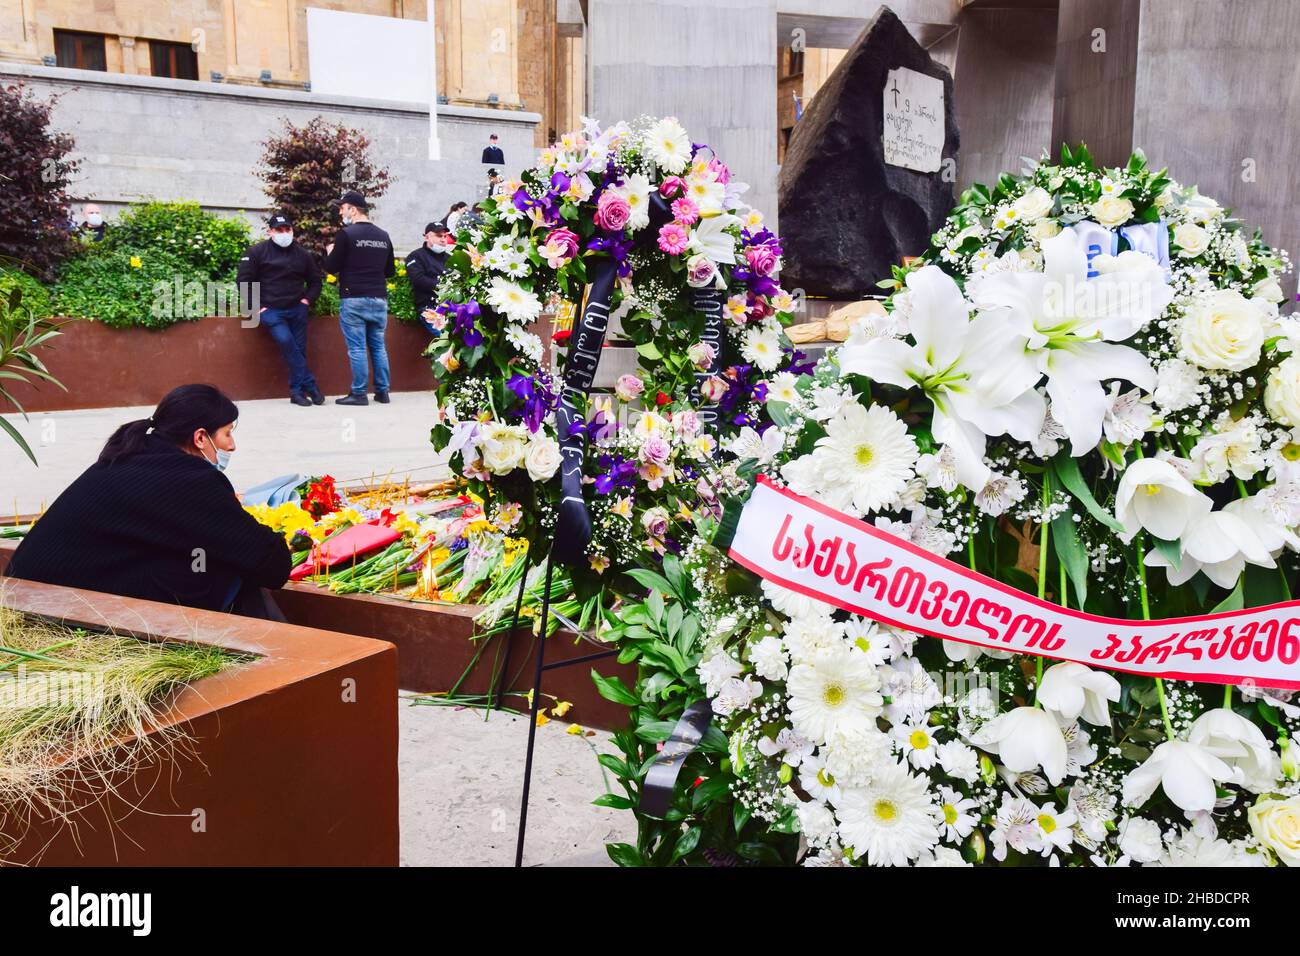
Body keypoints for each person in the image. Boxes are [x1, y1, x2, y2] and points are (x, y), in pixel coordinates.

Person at [5, 385, 292, 618]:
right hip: (47, 610)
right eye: (228, 433)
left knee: (202, 560)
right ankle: (283, 662)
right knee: (227, 571)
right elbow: (271, 564)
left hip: (29, 593)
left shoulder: (135, 453)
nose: (232, 445)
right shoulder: (188, 479)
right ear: (201, 437)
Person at [236, 212, 324, 407]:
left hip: (297, 309)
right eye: (279, 230)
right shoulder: (256, 252)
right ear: (270, 231)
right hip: (271, 311)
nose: (284, 233)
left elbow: (315, 282)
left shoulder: (303, 255)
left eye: (287, 229)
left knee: (298, 350)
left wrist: (306, 301)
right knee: (287, 342)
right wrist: (258, 308)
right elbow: (243, 282)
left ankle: (296, 392)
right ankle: (311, 384)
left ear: (292, 230)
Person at [322, 190, 396, 406]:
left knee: (357, 348)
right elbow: (390, 271)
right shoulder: (384, 236)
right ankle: (383, 392)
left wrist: (330, 251)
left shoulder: (346, 234)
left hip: (353, 297)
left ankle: (359, 393)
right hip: (379, 298)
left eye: (342, 208)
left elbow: (331, 267)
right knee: (378, 346)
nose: (340, 212)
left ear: (352, 210)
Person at [404, 221, 450, 327]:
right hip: (430, 309)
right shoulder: (416, 256)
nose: (443, 239)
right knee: (446, 337)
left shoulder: (449, 258)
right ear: (427, 237)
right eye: (439, 236)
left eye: (445, 236)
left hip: (451, 308)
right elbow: (418, 279)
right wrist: (444, 287)